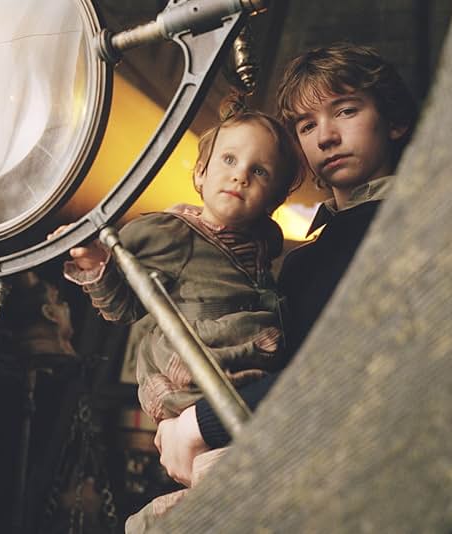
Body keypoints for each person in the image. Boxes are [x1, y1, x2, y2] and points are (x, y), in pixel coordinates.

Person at [155, 42, 418, 486]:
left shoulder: (412, 223)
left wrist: (201, 422)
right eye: (306, 124)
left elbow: (351, 370)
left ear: (395, 121)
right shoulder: (302, 260)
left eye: (346, 111)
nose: (325, 136)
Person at [53, 97, 302, 531]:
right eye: (228, 159)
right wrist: (97, 264)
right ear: (202, 173)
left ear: (274, 198)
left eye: (259, 171)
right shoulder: (172, 234)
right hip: (200, 381)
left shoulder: (264, 242)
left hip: (248, 374)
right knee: (232, 482)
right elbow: (125, 304)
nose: (240, 174)